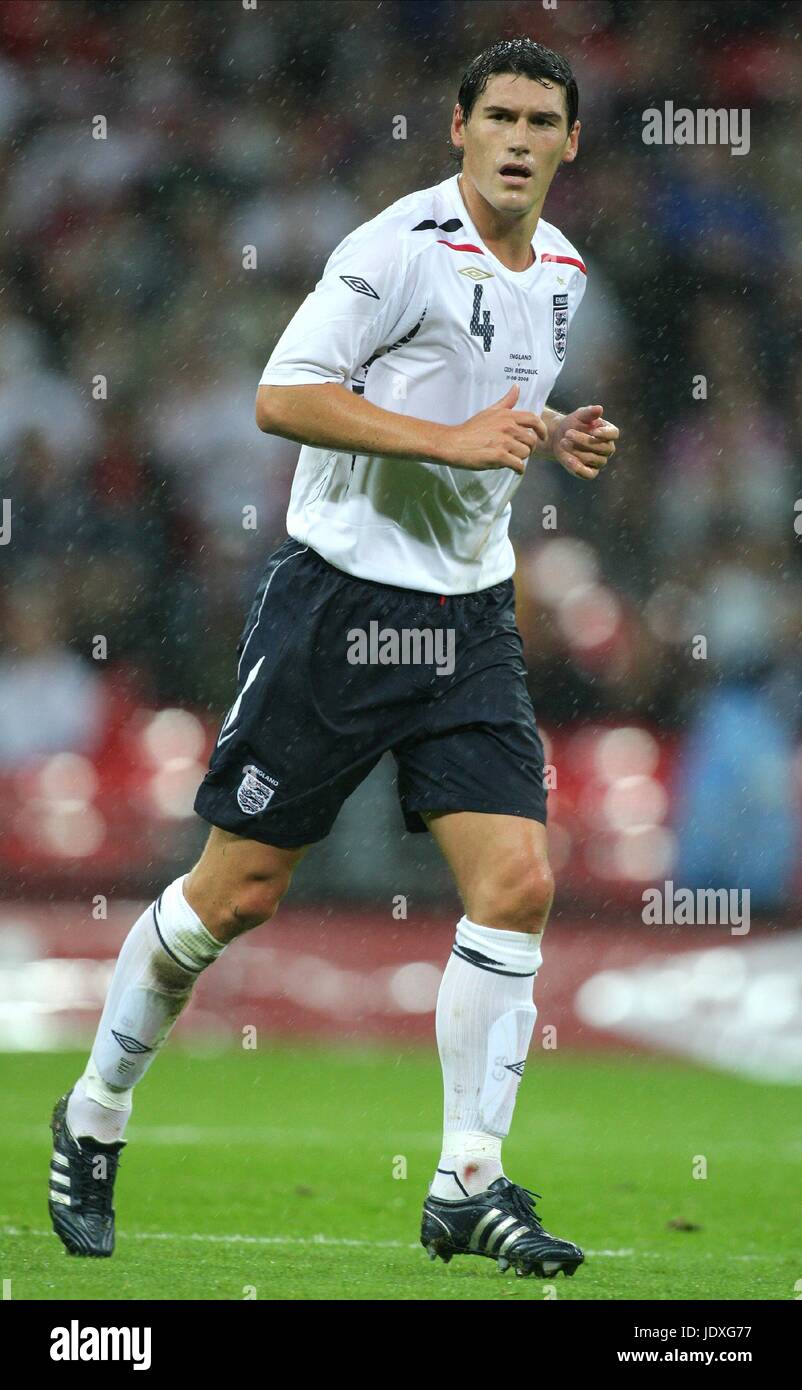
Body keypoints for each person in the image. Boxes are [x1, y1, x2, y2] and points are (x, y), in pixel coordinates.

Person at [49, 37, 618, 1279]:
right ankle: (94, 1113)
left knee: (516, 881)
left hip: (467, 618)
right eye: (500, 116)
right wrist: (450, 441)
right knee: (236, 895)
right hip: (342, 610)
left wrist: (551, 433)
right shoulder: (392, 248)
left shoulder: (563, 271)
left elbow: (489, 405)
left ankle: (467, 1179)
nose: (520, 138)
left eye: (543, 121)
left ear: (570, 144)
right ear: (458, 127)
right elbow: (284, 393)